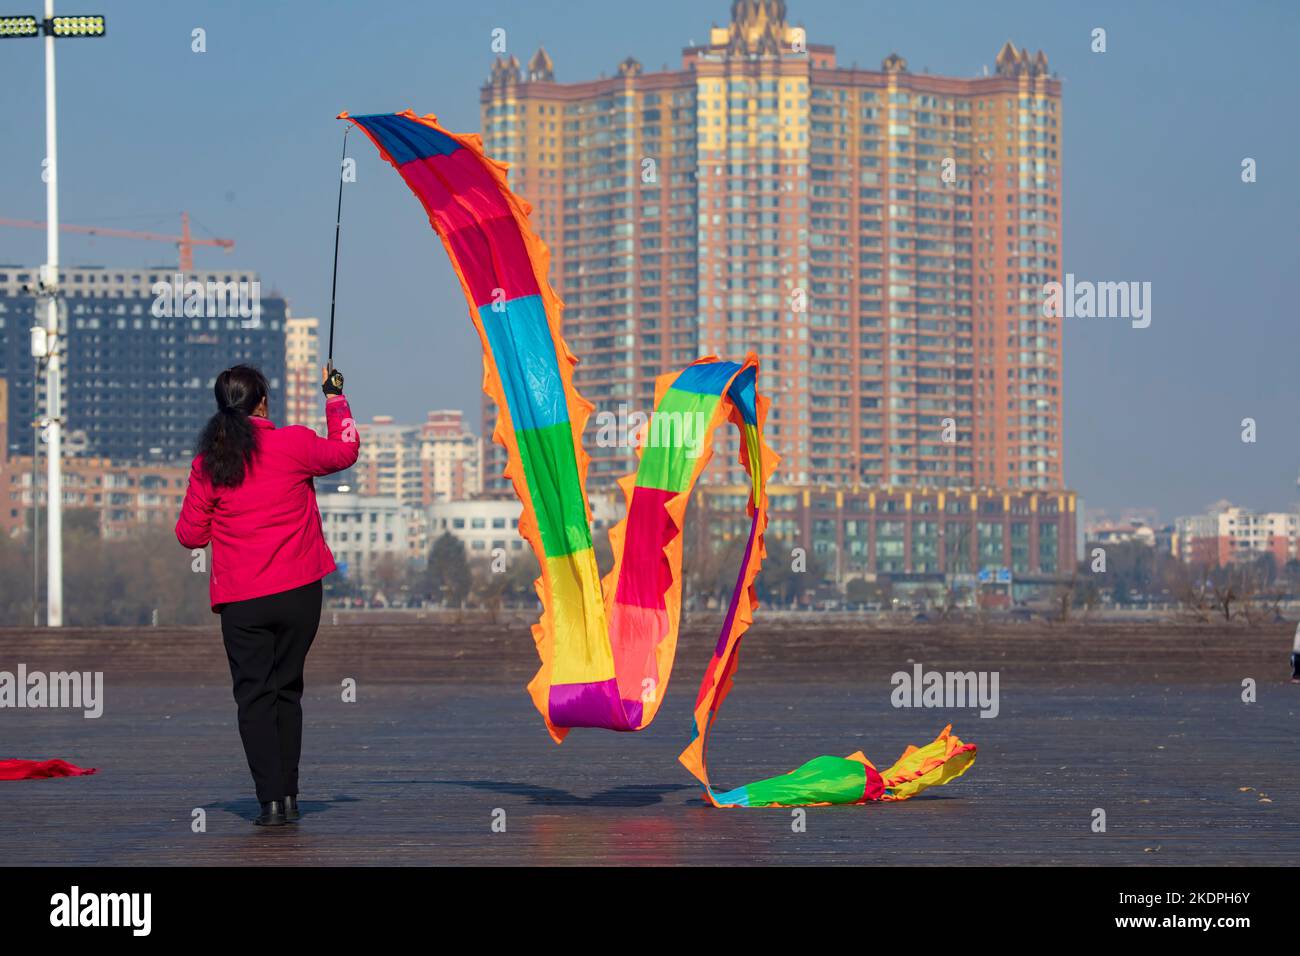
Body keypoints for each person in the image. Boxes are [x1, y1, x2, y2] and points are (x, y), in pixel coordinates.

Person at [176, 363, 360, 826]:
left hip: (243, 598)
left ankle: (271, 803)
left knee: (254, 697)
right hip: (300, 593)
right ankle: (292, 796)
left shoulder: (210, 463)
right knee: (287, 691)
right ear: (262, 403)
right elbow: (345, 450)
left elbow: (190, 535)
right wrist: (334, 396)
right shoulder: (295, 444)